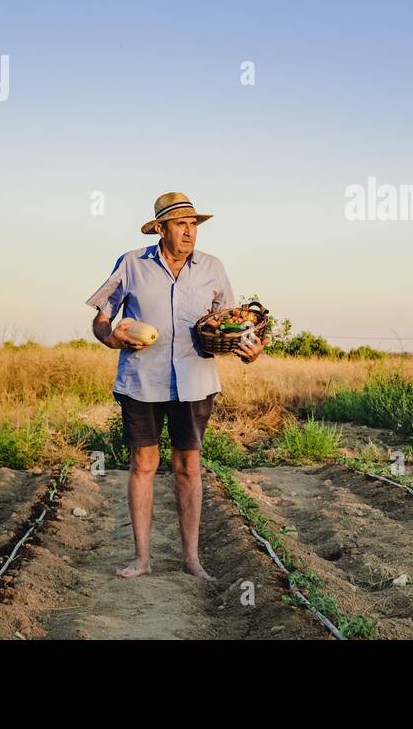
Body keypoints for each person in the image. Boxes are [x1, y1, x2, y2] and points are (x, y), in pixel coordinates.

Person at [86, 191, 263, 580]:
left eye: (194, 225)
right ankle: (142, 559)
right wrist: (110, 337)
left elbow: (232, 324)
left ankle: (191, 560)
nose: (189, 232)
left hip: (195, 382)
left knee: (188, 466)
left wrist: (248, 349)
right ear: (161, 229)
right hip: (141, 382)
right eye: (181, 225)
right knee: (143, 464)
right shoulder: (131, 263)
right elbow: (102, 316)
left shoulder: (213, 268)